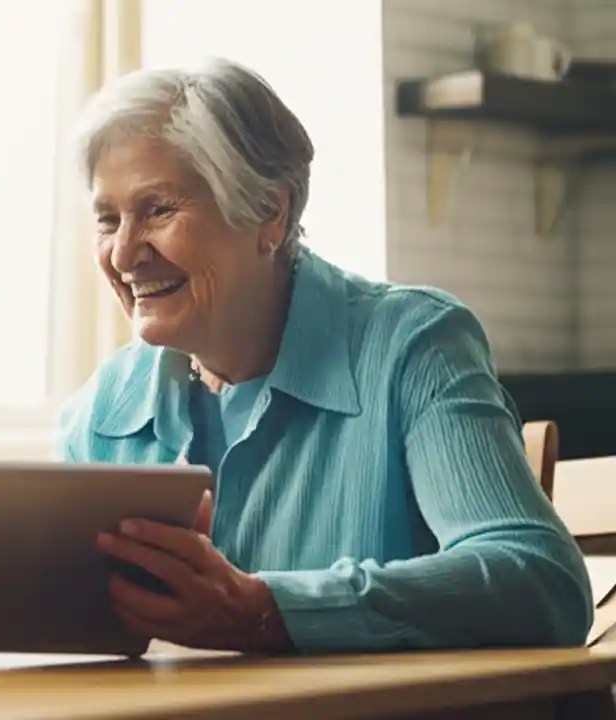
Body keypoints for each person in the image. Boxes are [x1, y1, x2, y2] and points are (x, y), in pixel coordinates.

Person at [60, 60, 592, 652]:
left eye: (158, 210)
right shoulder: (100, 412)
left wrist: (266, 611)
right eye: (108, 220)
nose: (126, 253)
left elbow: (542, 582)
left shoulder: (414, 347)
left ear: (270, 213)